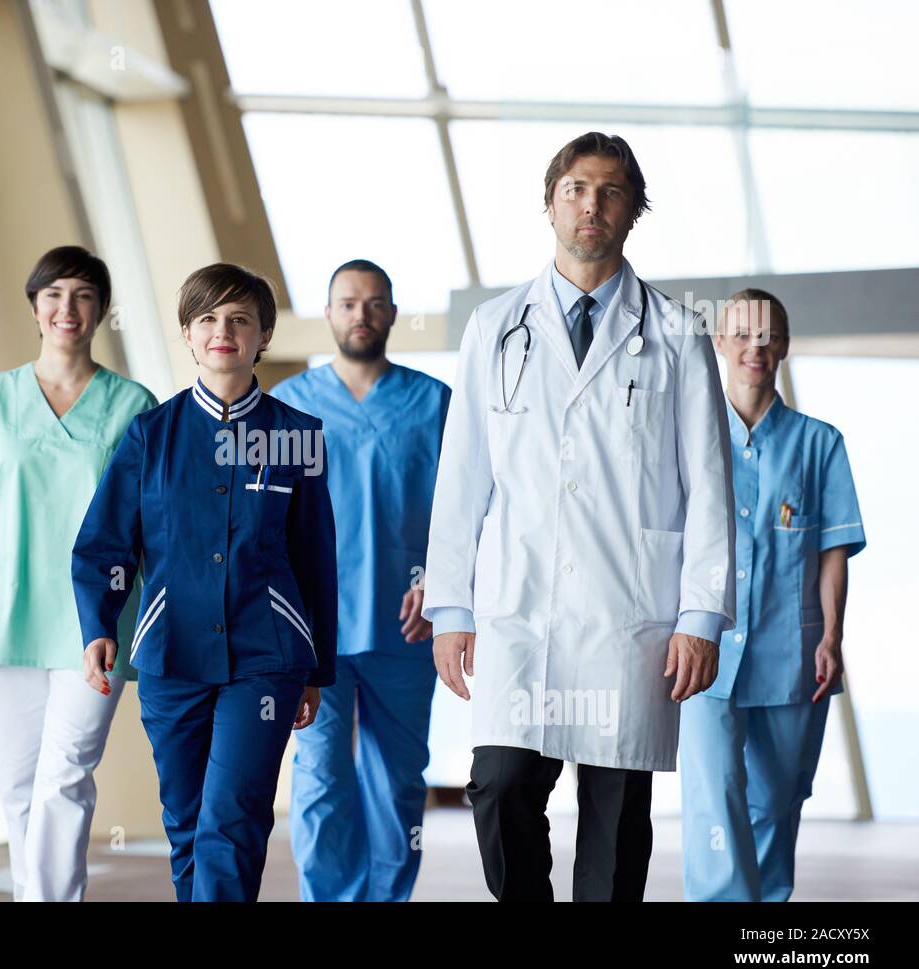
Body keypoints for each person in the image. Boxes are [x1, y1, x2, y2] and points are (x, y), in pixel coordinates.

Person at [422, 131, 736, 901]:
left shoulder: (675, 334)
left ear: (634, 211)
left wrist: (701, 615)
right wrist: (452, 607)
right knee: (497, 786)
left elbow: (708, 486)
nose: (590, 205)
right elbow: (462, 477)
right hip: (516, 613)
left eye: (610, 192)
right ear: (549, 201)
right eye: (575, 188)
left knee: (617, 821)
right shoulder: (496, 327)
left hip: (629, 616)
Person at [72, 262, 338, 902]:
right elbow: (107, 543)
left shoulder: (297, 438)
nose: (224, 331)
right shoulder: (150, 435)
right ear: (188, 334)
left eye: (241, 319)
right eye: (209, 319)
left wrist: (315, 670)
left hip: (266, 659)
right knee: (187, 826)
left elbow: (316, 558)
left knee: (232, 820)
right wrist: (98, 624)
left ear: (262, 336)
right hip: (171, 657)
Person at [0, 246, 156, 901]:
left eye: (84, 295)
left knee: (67, 774)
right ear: (34, 307)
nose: (68, 308)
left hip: (98, 621)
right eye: (53, 294)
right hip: (10, 611)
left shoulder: (133, 405)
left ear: (101, 311)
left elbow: (153, 523)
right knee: (19, 782)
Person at [271, 259, 449, 902]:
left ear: (393, 313)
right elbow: (265, 521)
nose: (361, 315)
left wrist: (441, 581)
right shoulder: (288, 405)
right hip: (311, 627)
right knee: (320, 776)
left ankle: (387, 896)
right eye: (348, 303)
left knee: (398, 779)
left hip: (404, 624)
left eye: (374, 304)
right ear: (328, 313)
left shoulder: (433, 404)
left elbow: (467, 509)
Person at [679, 289, 866, 901]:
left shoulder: (820, 443)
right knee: (714, 796)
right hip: (703, 652)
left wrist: (832, 639)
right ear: (719, 343)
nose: (754, 347)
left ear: (783, 345)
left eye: (768, 336)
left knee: (779, 801)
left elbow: (831, 551)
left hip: (793, 652)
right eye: (741, 334)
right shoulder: (688, 439)